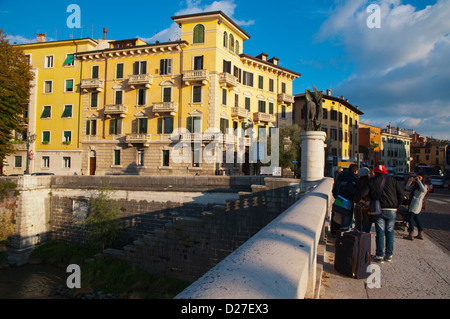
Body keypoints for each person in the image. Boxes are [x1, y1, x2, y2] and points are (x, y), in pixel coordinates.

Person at [358, 164, 404, 263]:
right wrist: (396, 206)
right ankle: (389, 255)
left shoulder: (371, 181)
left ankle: (379, 255)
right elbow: (401, 194)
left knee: (380, 232)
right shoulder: (392, 180)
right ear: (385, 172)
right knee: (390, 232)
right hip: (392, 209)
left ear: (375, 172)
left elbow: (363, 194)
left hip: (378, 209)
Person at [331, 164, 359, 232]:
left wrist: (338, 197)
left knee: (337, 220)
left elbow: (334, 190)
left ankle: (336, 235)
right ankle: (343, 238)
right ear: (355, 171)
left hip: (338, 200)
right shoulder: (352, 179)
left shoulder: (340, 177)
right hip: (348, 202)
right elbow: (352, 191)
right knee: (346, 223)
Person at [404, 173, 427, 240]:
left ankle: (411, 233)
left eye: (419, 177)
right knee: (416, 218)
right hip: (413, 202)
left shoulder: (424, 185)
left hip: (417, 203)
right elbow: (407, 187)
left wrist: (419, 181)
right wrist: (410, 181)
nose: (417, 178)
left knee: (410, 217)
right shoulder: (416, 185)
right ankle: (420, 232)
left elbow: (424, 190)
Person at [354, 167, 372, 233]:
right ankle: (364, 241)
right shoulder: (370, 183)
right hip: (368, 207)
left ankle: (357, 241)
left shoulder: (357, 182)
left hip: (358, 206)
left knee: (358, 227)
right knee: (366, 229)